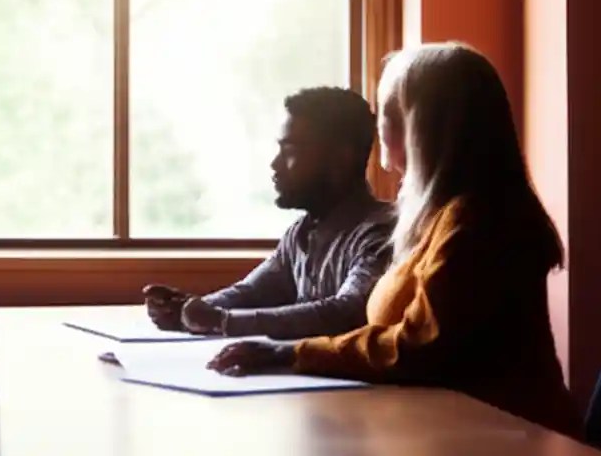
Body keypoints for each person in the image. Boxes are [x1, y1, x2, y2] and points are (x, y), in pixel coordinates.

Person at [207, 42, 577, 434]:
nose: (376, 127)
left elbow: (417, 346)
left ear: (420, 124)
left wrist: (290, 354)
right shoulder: (440, 216)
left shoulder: (476, 222)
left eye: (386, 111)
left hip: (508, 444)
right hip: (458, 432)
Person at [143, 87, 394, 340]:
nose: (275, 164)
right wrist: (187, 310)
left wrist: (222, 321)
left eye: (290, 150)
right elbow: (251, 292)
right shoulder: (301, 233)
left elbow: (347, 313)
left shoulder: (382, 234)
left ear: (341, 158)